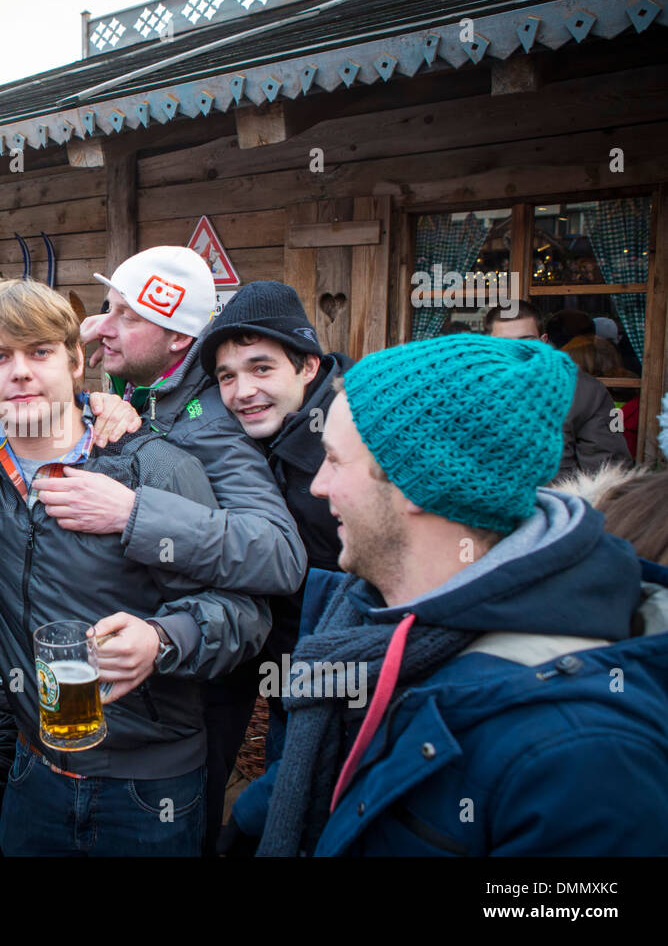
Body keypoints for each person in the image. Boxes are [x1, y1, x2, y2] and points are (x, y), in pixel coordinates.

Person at [228, 334, 668, 855]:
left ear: (416, 483)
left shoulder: (580, 753)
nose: (320, 486)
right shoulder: (369, 619)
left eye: (335, 461)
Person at [0, 278, 270, 856]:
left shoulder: (154, 467)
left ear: (79, 361)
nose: (20, 372)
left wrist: (162, 639)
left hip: (150, 787)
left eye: (40, 352)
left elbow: (245, 612)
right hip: (35, 773)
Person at [53, 247, 305, 853]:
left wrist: (133, 514)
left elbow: (280, 554)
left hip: (205, 679)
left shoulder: (212, 421)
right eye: (105, 309)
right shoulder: (152, 388)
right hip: (148, 669)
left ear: (177, 341)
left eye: (127, 315)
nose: (102, 325)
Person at [196, 281, 352, 759]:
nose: (243, 392)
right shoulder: (256, 432)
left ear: (307, 365)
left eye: (261, 368)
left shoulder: (358, 441)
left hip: (348, 691)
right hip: (284, 676)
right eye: (227, 377)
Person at [485, 302, 631, 479]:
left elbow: (606, 472)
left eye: (527, 341)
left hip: (556, 501)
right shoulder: (463, 391)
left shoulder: (585, 392)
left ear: (543, 341)